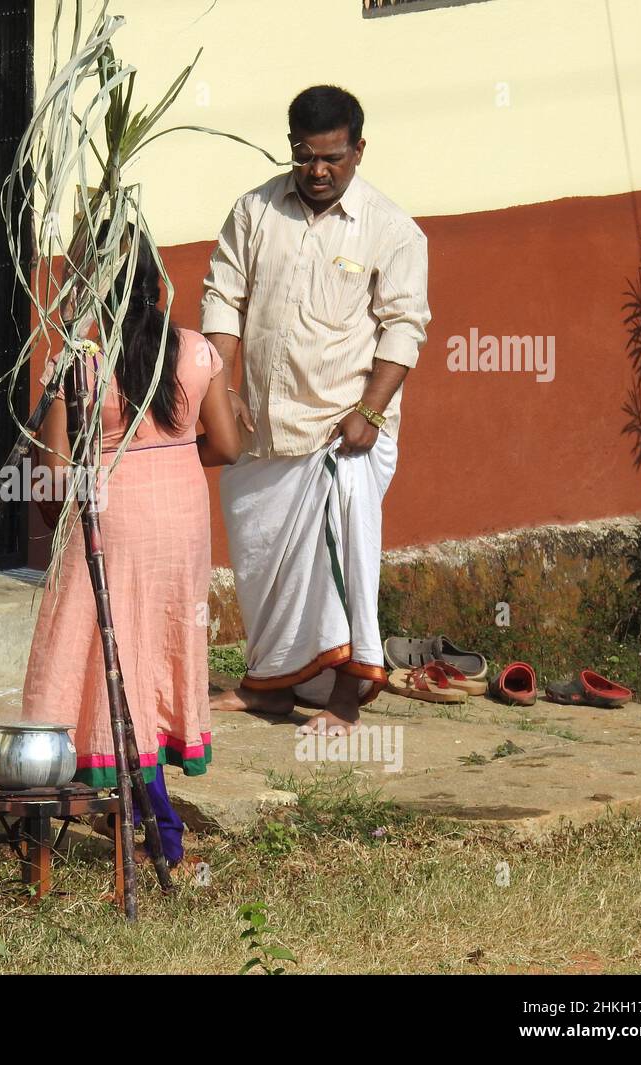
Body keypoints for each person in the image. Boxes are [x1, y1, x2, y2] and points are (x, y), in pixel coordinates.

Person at [202, 85, 431, 735]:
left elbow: (403, 331)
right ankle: (271, 687)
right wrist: (224, 383)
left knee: (336, 566)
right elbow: (223, 298)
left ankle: (345, 704)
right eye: (305, 157)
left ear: (358, 150)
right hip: (266, 431)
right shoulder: (254, 212)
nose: (319, 170)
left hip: (345, 432)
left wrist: (371, 410)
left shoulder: (391, 230)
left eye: (333, 157)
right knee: (262, 557)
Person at [22, 232, 242, 867]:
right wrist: (166, 459)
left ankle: (158, 828)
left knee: (103, 653)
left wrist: (113, 460)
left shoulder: (79, 362)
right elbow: (225, 447)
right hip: (182, 517)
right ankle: (154, 822)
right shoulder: (199, 352)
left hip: (113, 515)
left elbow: (53, 484)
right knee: (153, 651)